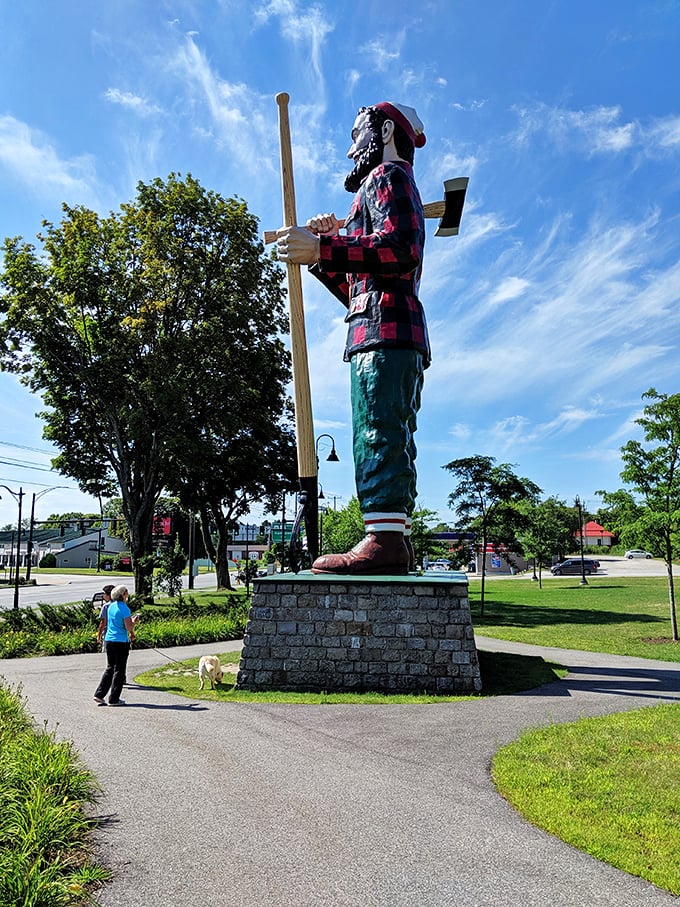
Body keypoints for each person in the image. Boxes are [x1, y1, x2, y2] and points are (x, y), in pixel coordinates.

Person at [277, 101, 428, 575]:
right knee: (382, 430)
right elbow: (357, 288)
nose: (350, 151)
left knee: (378, 430)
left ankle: (385, 541)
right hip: (378, 325)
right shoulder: (378, 188)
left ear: (385, 132)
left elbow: (400, 249)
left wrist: (323, 246)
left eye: (356, 135)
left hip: (386, 331)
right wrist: (321, 256)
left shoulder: (387, 177)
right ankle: (390, 536)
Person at [93, 585, 135, 706]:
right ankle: (114, 699)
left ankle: (99, 694)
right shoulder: (124, 608)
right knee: (119, 670)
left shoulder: (111, 606)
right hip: (120, 641)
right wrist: (134, 621)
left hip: (109, 640)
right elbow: (128, 627)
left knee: (110, 667)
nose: (127, 594)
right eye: (126, 592)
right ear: (123, 595)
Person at [96, 583, 115, 650]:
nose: (104, 595)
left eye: (105, 594)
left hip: (109, 635)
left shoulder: (106, 606)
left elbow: (103, 623)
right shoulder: (121, 605)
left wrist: (99, 635)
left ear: (109, 595)